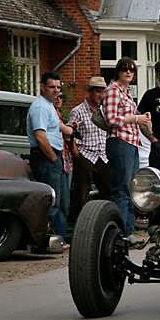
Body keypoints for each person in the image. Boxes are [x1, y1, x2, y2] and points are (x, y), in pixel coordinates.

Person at [103, 57, 152, 240]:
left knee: (130, 188)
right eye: (125, 69)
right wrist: (135, 119)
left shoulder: (127, 92)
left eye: (132, 70)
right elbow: (111, 119)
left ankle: (129, 229)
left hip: (132, 142)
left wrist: (142, 118)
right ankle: (121, 231)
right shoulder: (113, 90)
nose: (129, 72)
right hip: (120, 142)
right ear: (118, 72)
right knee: (121, 188)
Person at [26, 71, 67, 249]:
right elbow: (40, 136)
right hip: (45, 158)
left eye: (58, 87)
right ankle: (45, 242)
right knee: (50, 201)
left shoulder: (49, 105)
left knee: (58, 201)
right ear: (42, 87)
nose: (56, 91)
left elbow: (58, 128)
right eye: (51, 87)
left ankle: (57, 240)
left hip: (53, 158)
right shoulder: (41, 107)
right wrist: (52, 157)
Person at [67, 76, 112, 224]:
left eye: (102, 92)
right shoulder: (78, 111)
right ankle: (83, 224)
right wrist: (76, 153)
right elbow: (70, 133)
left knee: (107, 189)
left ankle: (104, 222)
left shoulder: (104, 111)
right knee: (82, 192)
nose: (100, 95)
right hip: (85, 154)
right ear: (90, 92)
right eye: (97, 92)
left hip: (102, 155)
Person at [54, 93, 75, 240]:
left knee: (64, 202)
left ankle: (61, 234)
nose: (59, 99)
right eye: (57, 97)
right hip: (57, 159)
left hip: (66, 160)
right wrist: (70, 130)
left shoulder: (59, 114)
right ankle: (57, 236)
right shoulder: (51, 113)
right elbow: (67, 131)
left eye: (62, 96)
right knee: (57, 201)